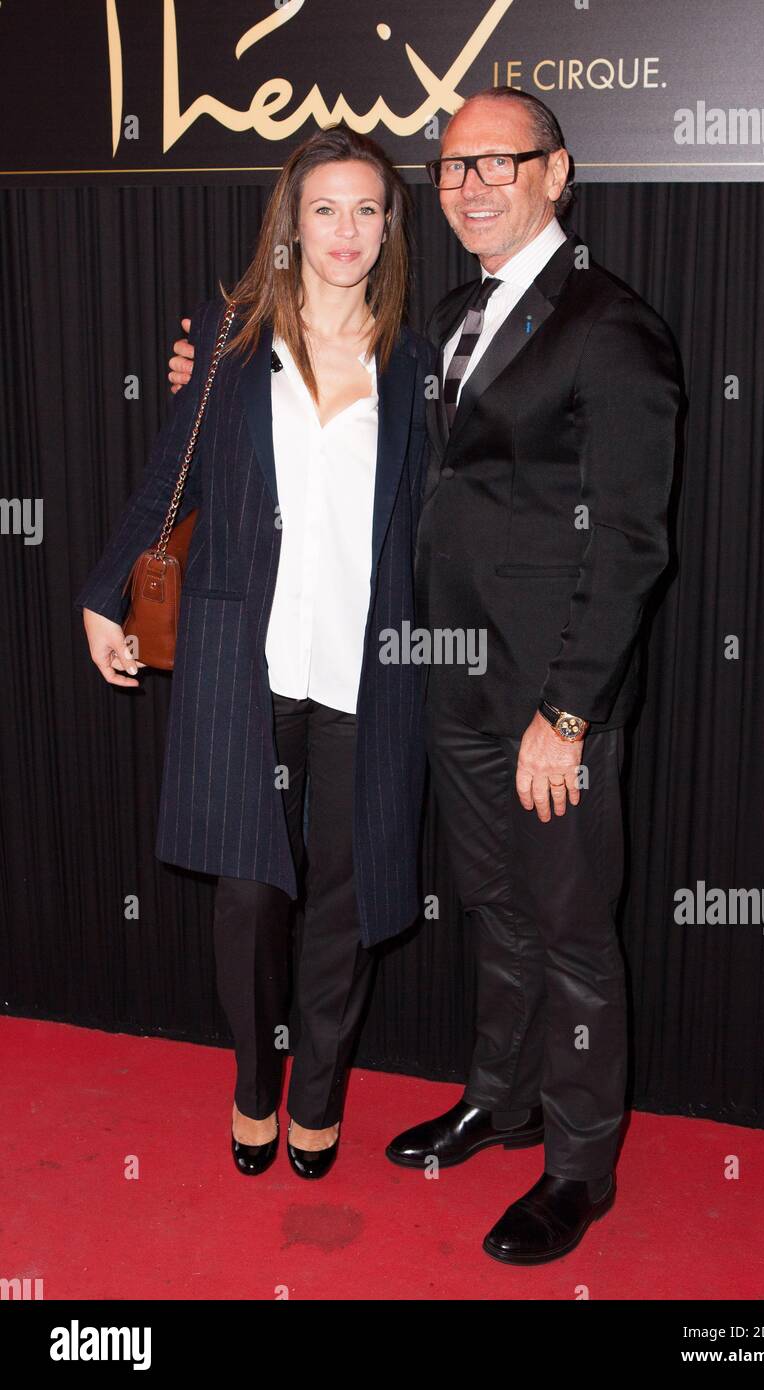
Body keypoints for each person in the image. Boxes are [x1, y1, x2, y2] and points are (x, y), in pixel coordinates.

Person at [168, 88, 683, 1264]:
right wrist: (209, 361)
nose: (475, 184)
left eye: (502, 162)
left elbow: (634, 542)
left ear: (557, 173)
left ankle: (577, 1164)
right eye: (454, 167)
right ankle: (498, 1101)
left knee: (568, 930)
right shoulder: (444, 319)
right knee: (499, 917)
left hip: (552, 703)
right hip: (444, 688)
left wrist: (570, 709)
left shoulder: (609, 325)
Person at [74, 127, 433, 1181]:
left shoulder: (416, 355)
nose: (346, 231)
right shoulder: (227, 335)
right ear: (290, 220)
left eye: (367, 209)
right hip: (248, 657)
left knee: (343, 890)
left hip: (366, 668)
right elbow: (165, 481)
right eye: (324, 208)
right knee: (247, 897)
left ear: (390, 225)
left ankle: (316, 1096)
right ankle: (251, 1081)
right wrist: (103, 593)